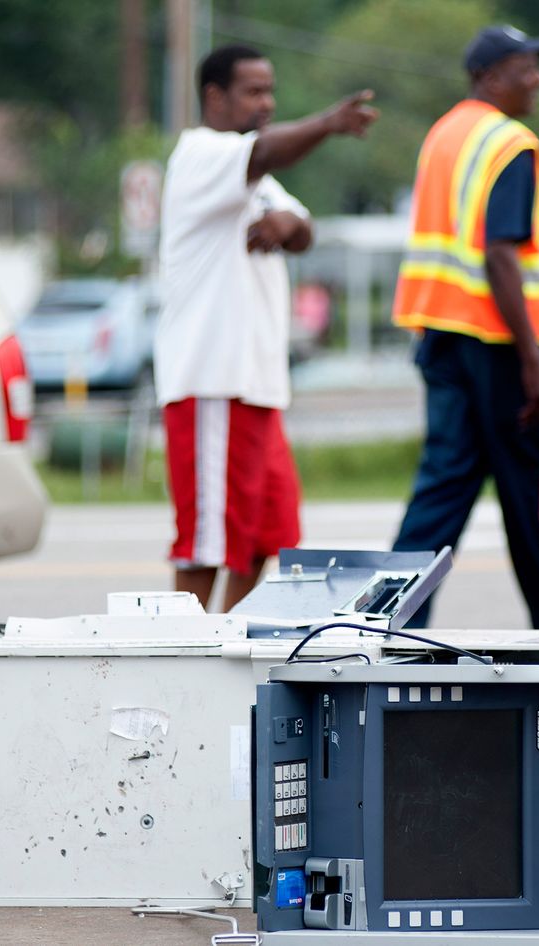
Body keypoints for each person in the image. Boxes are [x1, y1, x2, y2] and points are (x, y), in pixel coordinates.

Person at [155, 44, 377, 611]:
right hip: (212, 382)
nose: (267, 102)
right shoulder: (203, 153)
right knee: (206, 546)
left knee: (262, 542)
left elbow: (304, 229)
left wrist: (286, 222)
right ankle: (183, 660)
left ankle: (222, 642)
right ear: (215, 96)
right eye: (253, 90)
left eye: (269, 90)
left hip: (255, 387)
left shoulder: (256, 177)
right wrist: (329, 123)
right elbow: (267, 153)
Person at [391, 25, 539, 629]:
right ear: (490, 77)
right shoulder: (509, 142)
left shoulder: (444, 133)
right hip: (500, 347)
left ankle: (386, 627)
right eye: (527, 67)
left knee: (441, 492)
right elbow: (501, 253)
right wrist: (534, 363)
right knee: (533, 497)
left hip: (444, 334)